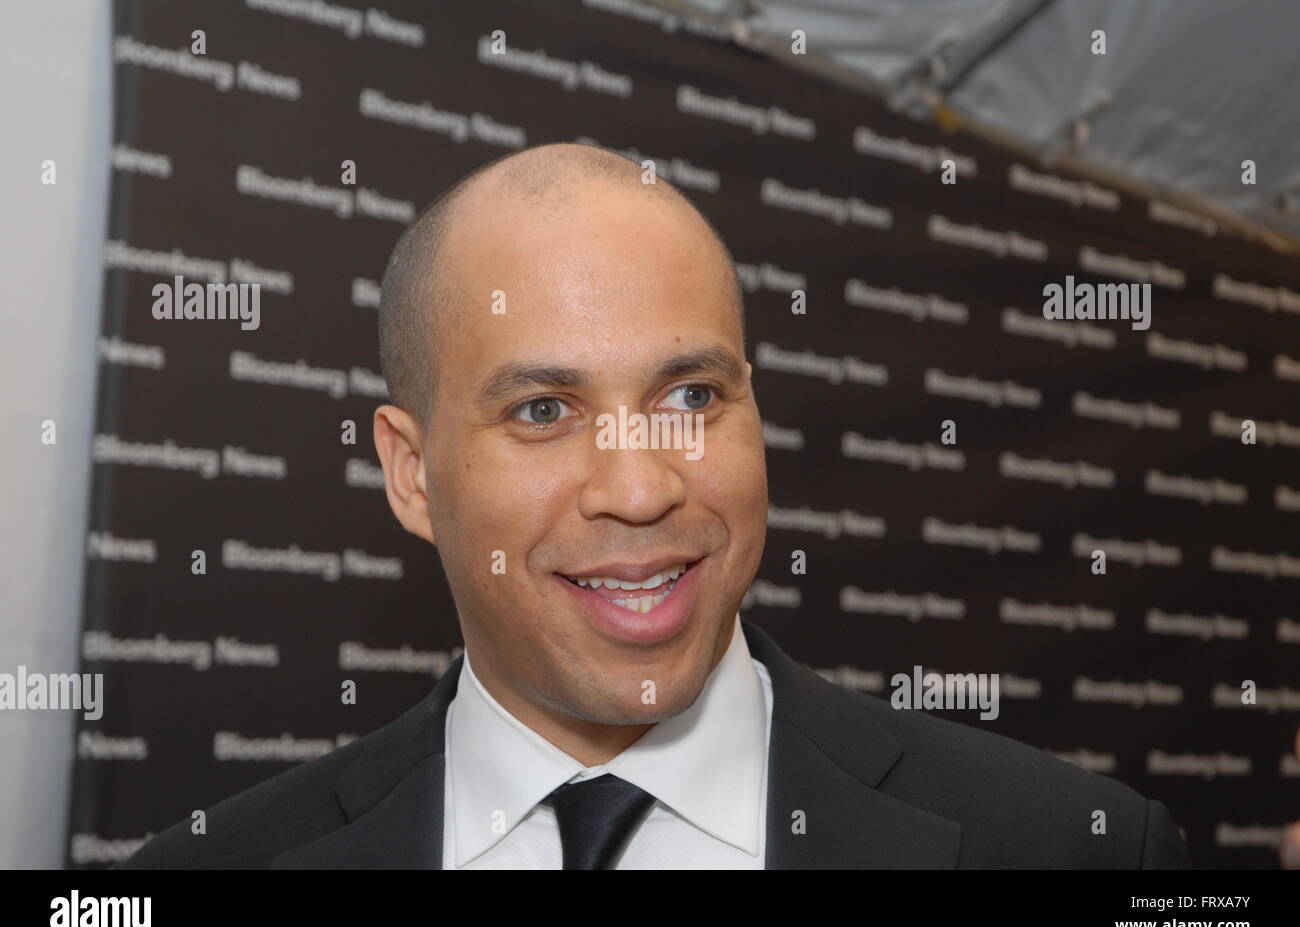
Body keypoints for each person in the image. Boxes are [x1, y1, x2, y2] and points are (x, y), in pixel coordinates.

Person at [124, 142, 1191, 869]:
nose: (641, 487)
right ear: (411, 474)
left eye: (691, 396)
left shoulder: (1070, 849)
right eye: (543, 409)